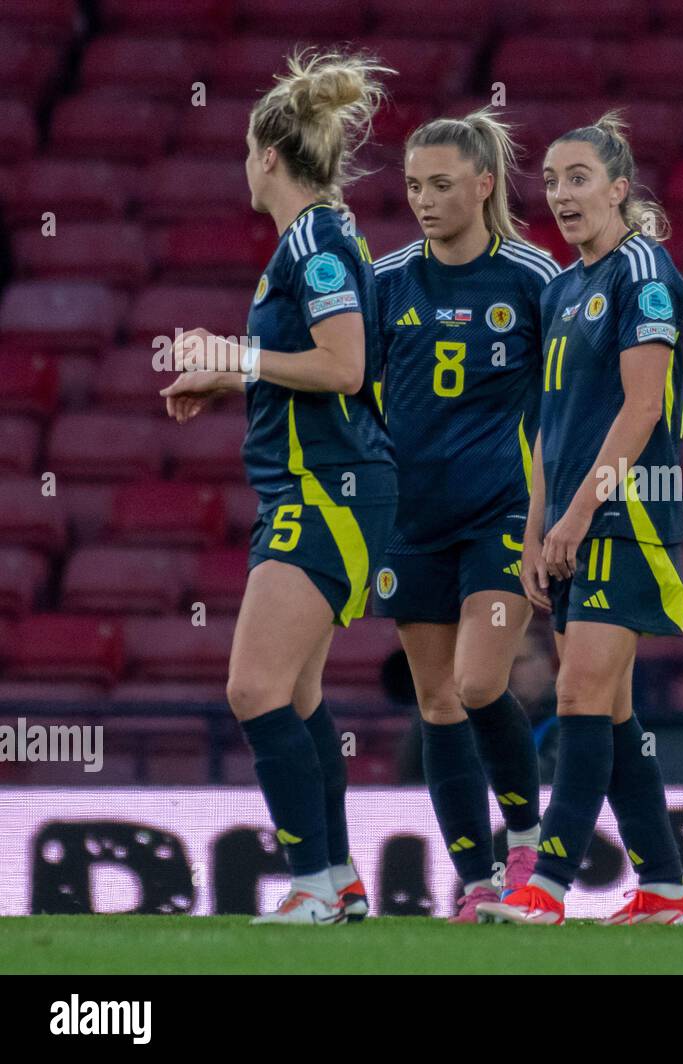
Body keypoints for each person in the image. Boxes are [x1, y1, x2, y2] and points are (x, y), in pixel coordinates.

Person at [160, 49, 395, 925]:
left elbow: (344, 367)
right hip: (317, 488)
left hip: (327, 491)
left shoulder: (316, 241)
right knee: (297, 698)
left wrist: (234, 361)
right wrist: (230, 373)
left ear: (266, 156)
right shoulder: (314, 242)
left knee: (252, 690)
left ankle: (314, 886)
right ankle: (339, 879)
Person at [479, 113, 683, 926]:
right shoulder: (562, 287)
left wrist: (577, 515)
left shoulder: (643, 271)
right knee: (607, 707)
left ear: (619, 188)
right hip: (572, 518)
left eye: (580, 179)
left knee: (578, 691)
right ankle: (668, 888)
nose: (563, 195)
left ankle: (548, 885)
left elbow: (643, 407)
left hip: (626, 514)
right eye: (554, 181)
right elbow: (548, 427)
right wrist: (537, 529)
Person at [370, 110, 558, 921]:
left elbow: (568, 402)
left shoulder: (533, 276)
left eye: (441, 185)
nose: (424, 200)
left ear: (484, 185)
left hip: (501, 515)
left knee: (481, 684)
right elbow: (348, 384)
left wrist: (551, 514)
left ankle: (524, 833)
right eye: (413, 185)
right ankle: (476, 880)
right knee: (436, 701)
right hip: (411, 521)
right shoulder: (383, 283)